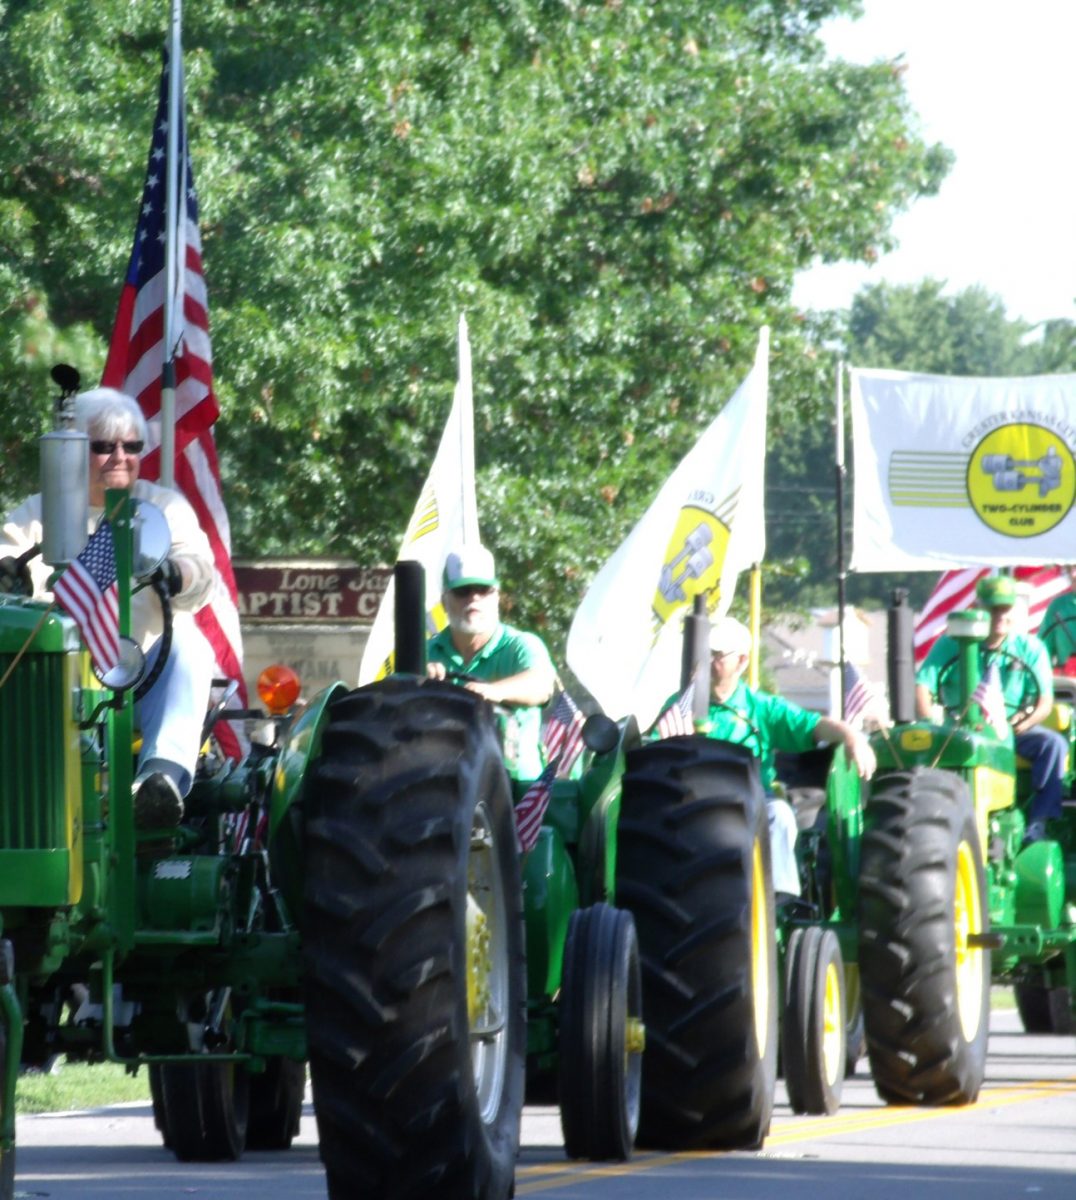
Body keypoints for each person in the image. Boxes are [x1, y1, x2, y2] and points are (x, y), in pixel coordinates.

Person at [0, 388, 216, 830]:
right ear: (76, 449)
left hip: (144, 683)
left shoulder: (163, 507)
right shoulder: (38, 514)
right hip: (51, 689)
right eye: (103, 446)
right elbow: (6, 554)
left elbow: (200, 572)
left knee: (191, 647)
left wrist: (176, 573)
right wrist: (8, 574)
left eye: (131, 446)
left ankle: (158, 782)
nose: (120, 457)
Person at [663, 615, 876, 901]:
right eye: (705, 653)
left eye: (716, 655)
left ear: (741, 661)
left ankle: (779, 902)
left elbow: (813, 726)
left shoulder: (761, 708)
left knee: (780, 816)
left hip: (752, 801)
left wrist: (851, 737)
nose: (708, 661)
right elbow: (654, 746)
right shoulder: (678, 706)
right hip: (690, 802)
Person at [915, 573, 1063, 843]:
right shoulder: (950, 644)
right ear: (978, 609)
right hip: (958, 733)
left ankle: (1038, 821)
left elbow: (1043, 702)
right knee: (917, 748)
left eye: (1005, 608)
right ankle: (927, 819)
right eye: (992, 608)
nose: (999, 615)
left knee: (1053, 745)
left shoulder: (1030, 648)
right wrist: (931, 718)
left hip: (1012, 731)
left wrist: (1019, 723)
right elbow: (923, 687)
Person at [426, 544, 555, 780]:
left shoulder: (521, 645)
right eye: (462, 591)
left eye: (482, 589)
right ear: (444, 601)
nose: (473, 598)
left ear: (496, 597)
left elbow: (542, 685)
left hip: (519, 791)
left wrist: (493, 691)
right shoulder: (425, 654)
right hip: (441, 783)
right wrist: (417, 681)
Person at [1039, 564, 1076, 676]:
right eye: (1071, 569)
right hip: (1068, 687)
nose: (1074, 574)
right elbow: (1042, 651)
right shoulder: (1058, 606)